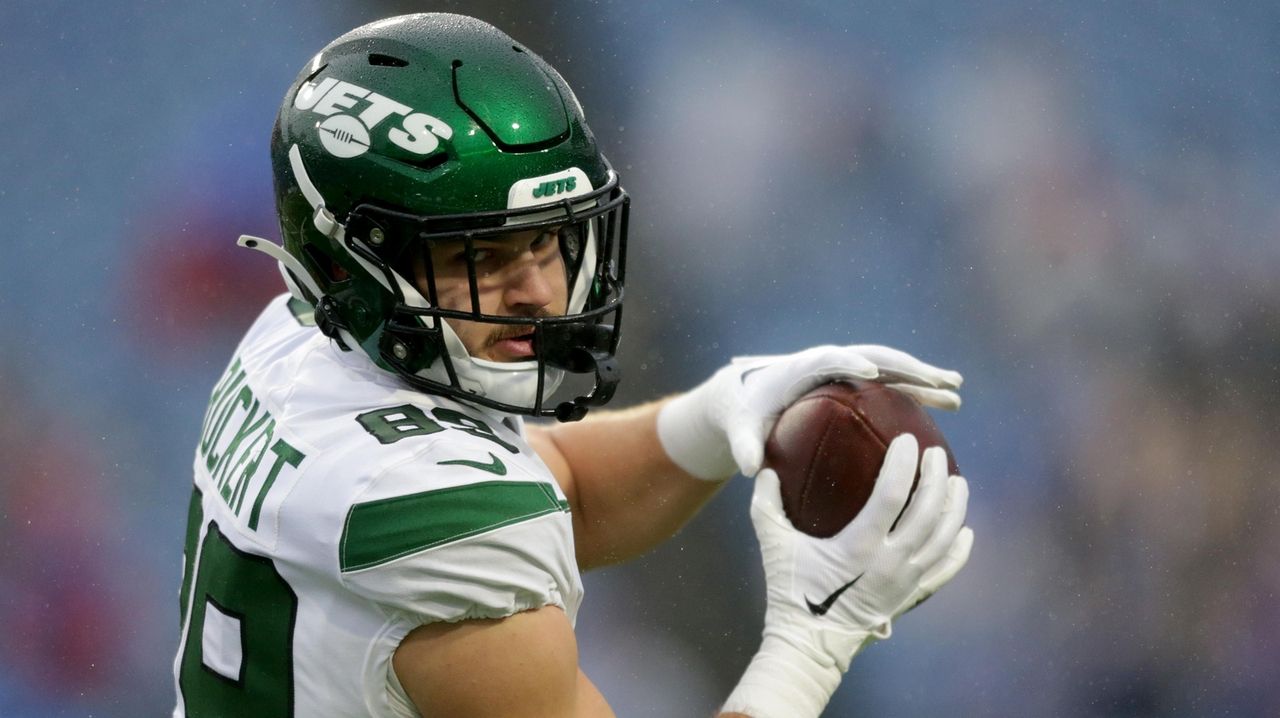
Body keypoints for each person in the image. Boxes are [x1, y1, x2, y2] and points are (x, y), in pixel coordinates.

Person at [172, 13, 973, 718]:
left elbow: (565, 495)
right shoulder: (436, 525)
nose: (539, 291)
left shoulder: (294, 341)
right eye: (481, 255)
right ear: (351, 265)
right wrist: (811, 645)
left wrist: (719, 411)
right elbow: (484, 510)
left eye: (548, 239)